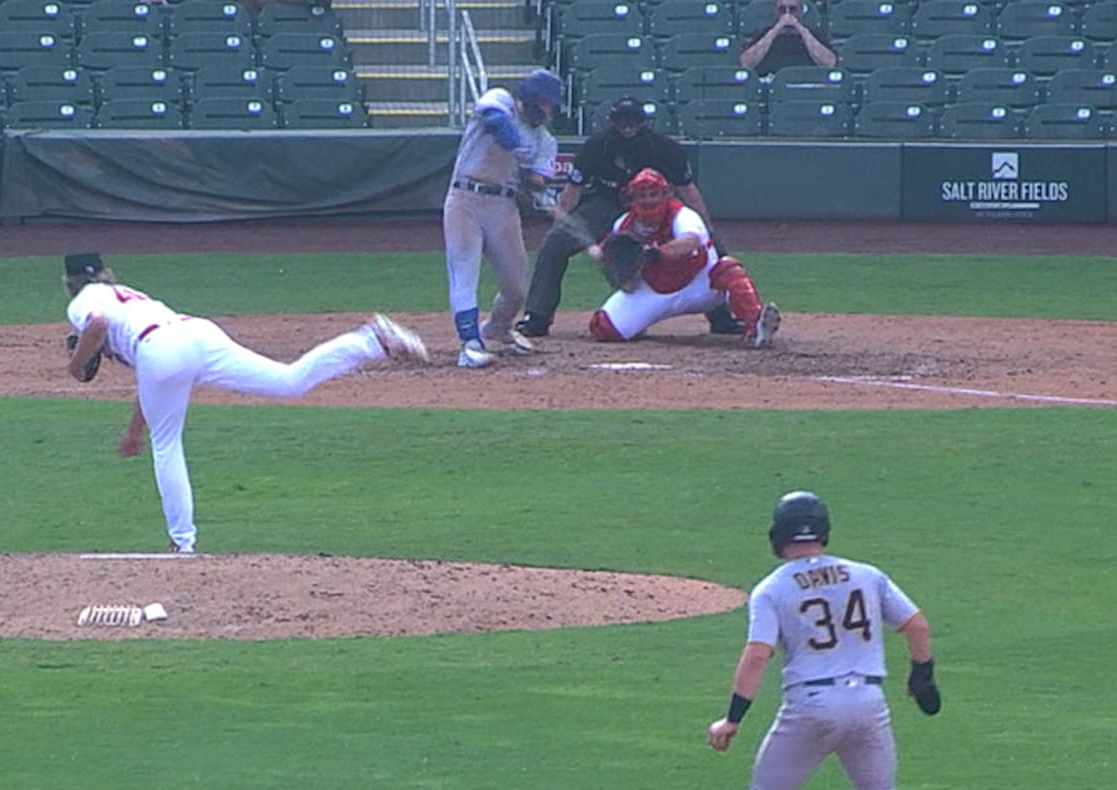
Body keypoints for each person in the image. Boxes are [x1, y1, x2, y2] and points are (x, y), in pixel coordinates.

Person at [61, 253, 430, 553]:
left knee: (167, 445)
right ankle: (371, 341)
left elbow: (96, 326)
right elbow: (153, 376)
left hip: (161, 350)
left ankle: (182, 543)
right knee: (289, 381)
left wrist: (75, 365)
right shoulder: (123, 292)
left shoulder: (83, 300)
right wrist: (133, 431)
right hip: (196, 334)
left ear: (69, 284)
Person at [706, 490, 942, 790]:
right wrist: (922, 676)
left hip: (811, 704)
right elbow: (918, 626)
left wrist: (732, 719)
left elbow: (757, 654)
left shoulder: (772, 588)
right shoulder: (867, 575)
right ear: (823, 531)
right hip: (868, 702)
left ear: (778, 535)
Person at [515, 95, 742, 339]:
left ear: (642, 122)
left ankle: (721, 314)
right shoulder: (597, 146)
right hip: (607, 202)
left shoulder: (663, 148)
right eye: (622, 121)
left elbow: (687, 188)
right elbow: (574, 189)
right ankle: (537, 316)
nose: (627, 126)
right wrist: (560, 225)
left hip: (659, 205)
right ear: (612, 122)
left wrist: (706, 225)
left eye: (632, 120)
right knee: (555, 243)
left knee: (713, 246)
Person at [442, 68, 563, 369]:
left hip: (503, 206)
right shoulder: (501, 99)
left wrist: (533, 184)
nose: (547, 111)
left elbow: (537, 178)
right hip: (465, 199)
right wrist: (517, 148)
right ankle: (469, 343)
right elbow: (496, 122)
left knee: (515, 286)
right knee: (464, 272)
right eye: (544, 103)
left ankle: (497, 327)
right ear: (530, 98)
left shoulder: (545, 140)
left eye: (551, 105)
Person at [585, 168, 780, 348]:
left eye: (653, 194)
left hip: (701, 285)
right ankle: (638, 325)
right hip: (655, 289)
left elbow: (690, 241)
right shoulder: (623, 225)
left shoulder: (683, 216)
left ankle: (756, 327)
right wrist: (605, 259)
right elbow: (623, 277)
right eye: (642, 195)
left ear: (666, 194)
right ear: (631, 199)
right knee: (603, 328)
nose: (648, 201)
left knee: (729, 270)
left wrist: (658, 252)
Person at [738, 0, 839, 77]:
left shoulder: (814, 34)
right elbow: (746, 63)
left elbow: (830, 63)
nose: (787, 15)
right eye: (782, 10)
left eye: (792, 10)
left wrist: (801, 29)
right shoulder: (763, 33)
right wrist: (776, 30)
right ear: (775, 12)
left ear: (800, 12)